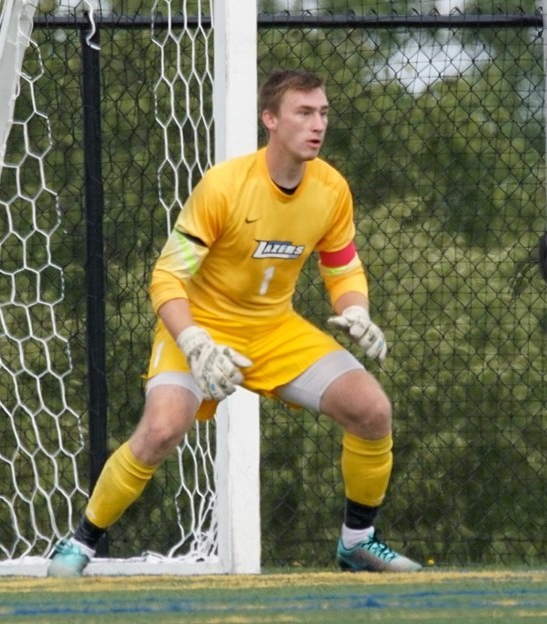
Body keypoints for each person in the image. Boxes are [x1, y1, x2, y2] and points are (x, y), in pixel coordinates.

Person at [48, 69, 421, 577]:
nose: (318, 124)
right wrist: (195, 342)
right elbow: (166, 279)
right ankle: (81, 543)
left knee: (373, 410)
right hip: (198, 328)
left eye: (323, 113)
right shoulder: (224, 186)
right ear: (270, 119)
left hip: (274, 330)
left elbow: (342, 266)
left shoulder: (331, 188)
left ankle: (357, 543)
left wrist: (357, 309)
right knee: (161, 430)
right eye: (304, 112)